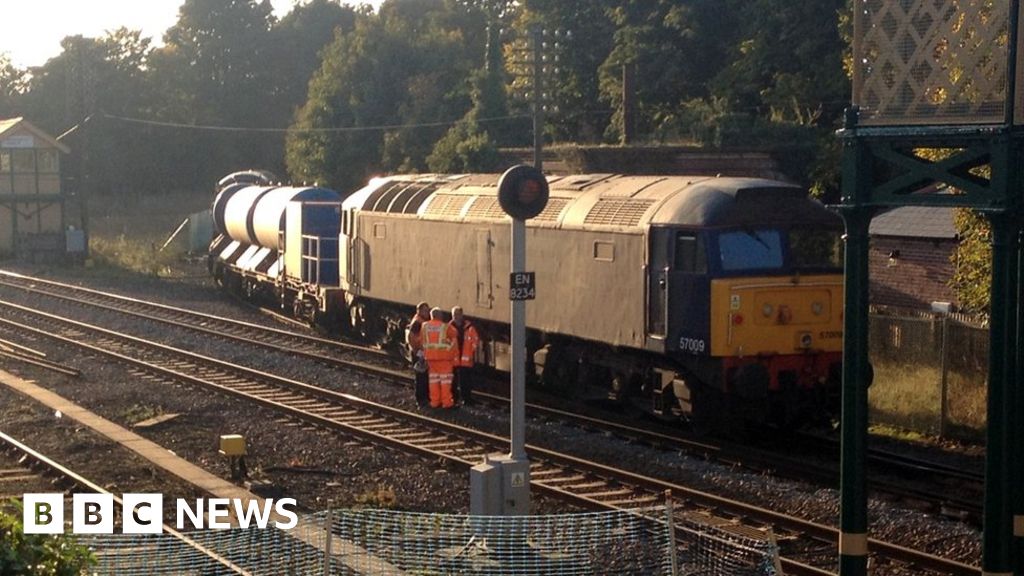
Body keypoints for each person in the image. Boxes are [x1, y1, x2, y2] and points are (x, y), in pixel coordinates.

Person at [421, 307, 459, 409]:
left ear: (431, 316)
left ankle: (434, 402)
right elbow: (455, 333)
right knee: (445, 381)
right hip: (444, 358)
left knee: (433, 381)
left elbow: (422, 340)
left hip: (430, 358)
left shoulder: (424, 326)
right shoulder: (445, 327)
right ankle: (447, 403)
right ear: (440, 316)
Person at [450, 306, 480, 405]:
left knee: (466, 381)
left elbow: (475, 341)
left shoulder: (469, 327)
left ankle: (466, 399)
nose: (456, 317)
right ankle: (454, 398)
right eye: (454, 315)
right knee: (453, 381)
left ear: (462, 315)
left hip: (465, 360)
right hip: (453, 359)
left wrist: (471, 352)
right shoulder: (448, 328)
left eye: (458, 314)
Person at [406, 301, 431, 407]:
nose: (427, 312)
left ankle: (424, 398)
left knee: (424, 377)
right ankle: (421, 400)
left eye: (428, 310)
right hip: (419, 354)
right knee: (421, 377)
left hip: (422, 353)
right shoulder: (417, 322)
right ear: (419, 311)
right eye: (425, 310)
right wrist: (417, 351)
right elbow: (410, 337)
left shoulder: (421, 321)